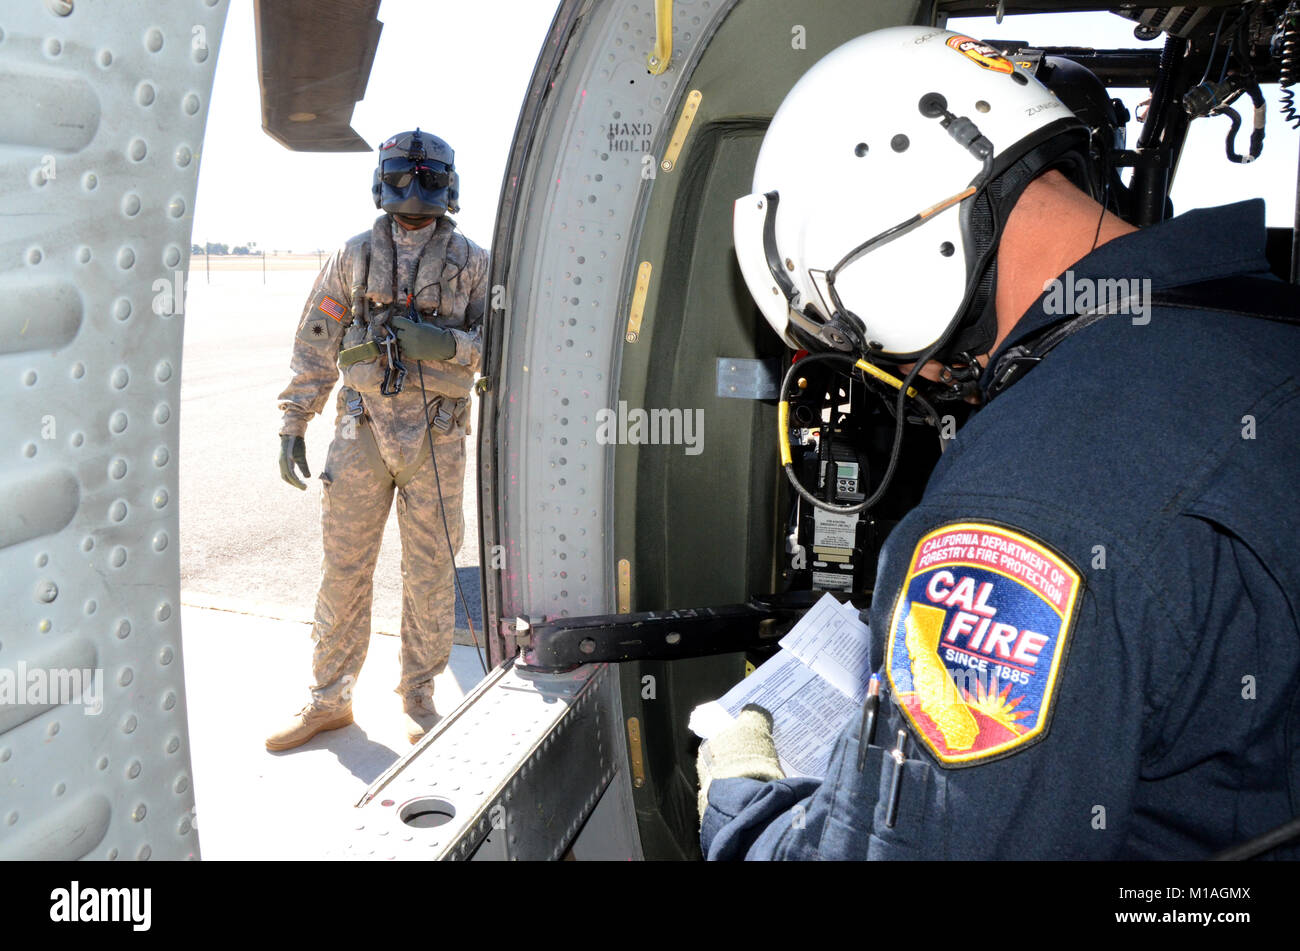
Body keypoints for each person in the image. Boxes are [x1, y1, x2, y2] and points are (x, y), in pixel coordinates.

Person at [706, 26, 1300, 859]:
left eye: (881, 346)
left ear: (883, 253)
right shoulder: (1262, 326)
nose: (934, 375)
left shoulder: (1024, 502)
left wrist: (743, 808)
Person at [267, 129, 488, 750]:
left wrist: (449, 346)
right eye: (400, 177)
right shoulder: (354, 256)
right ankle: (328, 699)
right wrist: (294, 419)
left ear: (447, 185)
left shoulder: (474, 262)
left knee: (429, 571)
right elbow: (317, 339)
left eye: (424, 177)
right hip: (362, 428)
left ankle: (419, 695)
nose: (413, 191)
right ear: (381, 183)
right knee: (343, 569)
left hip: (437, 438)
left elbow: (502, 348)